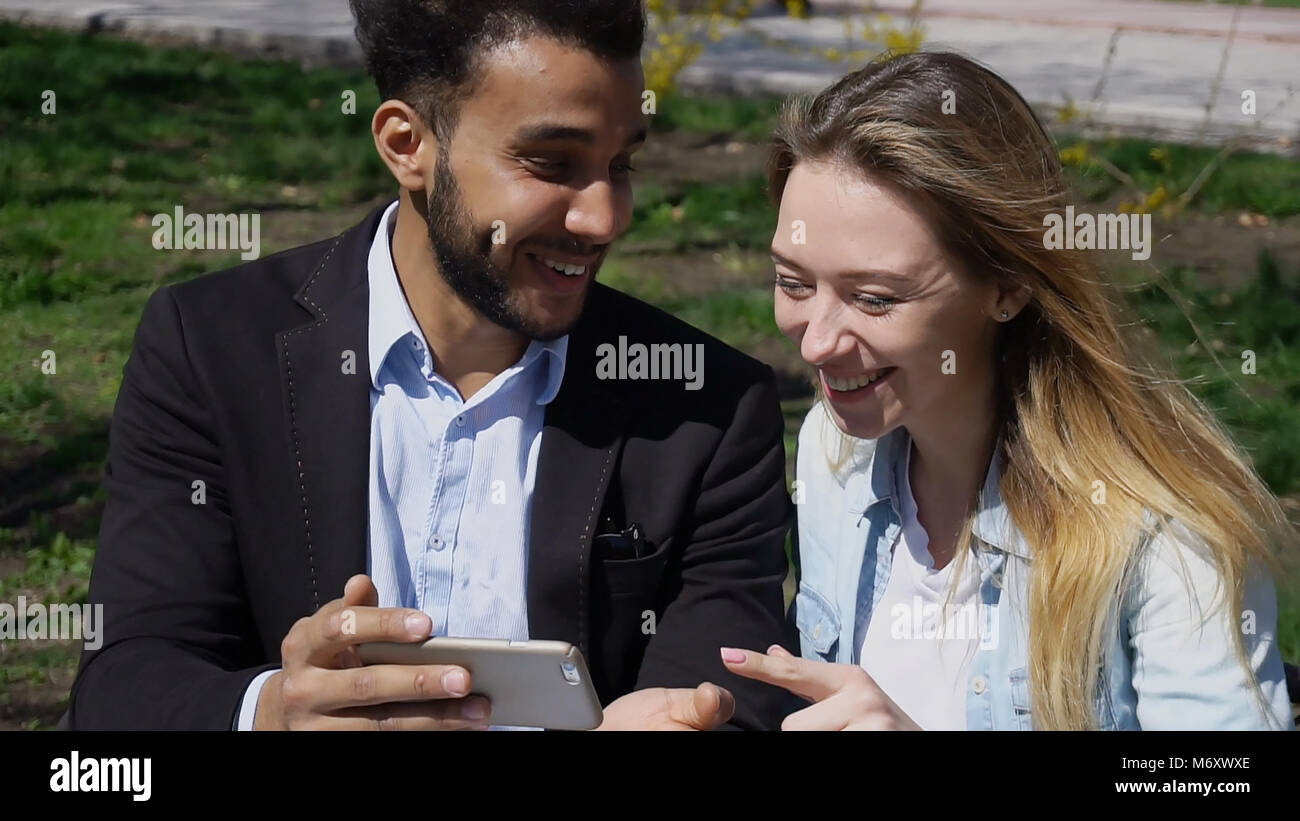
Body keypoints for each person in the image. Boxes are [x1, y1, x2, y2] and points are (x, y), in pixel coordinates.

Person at [67, 0, 796, 731]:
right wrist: (277, 714)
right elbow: (127, 680)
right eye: (551, 162)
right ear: (407, 143)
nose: (604, 217)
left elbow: (731, 694)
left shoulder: (704, 406)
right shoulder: (214, 348)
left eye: (621, 163)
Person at [723, 51, 1296, 730]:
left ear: (1008, 287)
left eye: (873, 298)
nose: (816, 343)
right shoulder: (835, 449)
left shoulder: (1163, 536)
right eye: (793, 282)